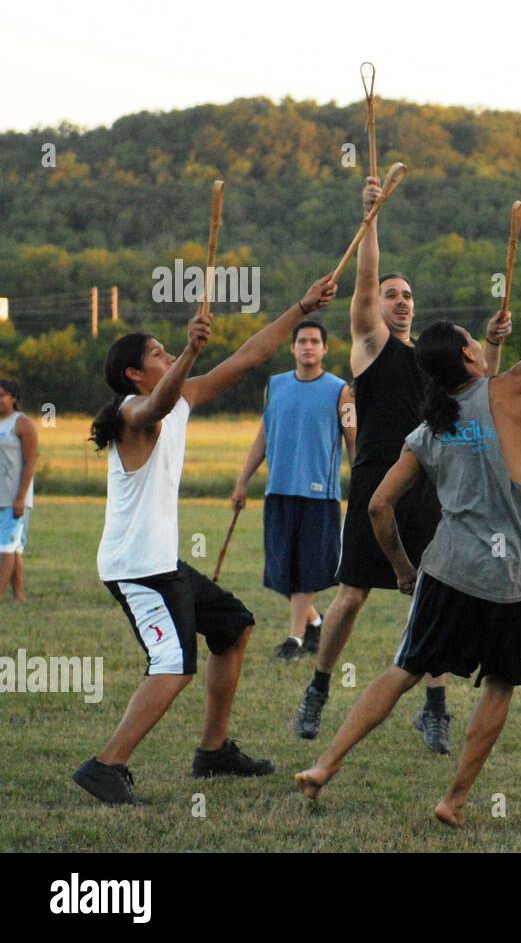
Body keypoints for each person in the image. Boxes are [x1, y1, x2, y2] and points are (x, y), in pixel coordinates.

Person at [294, 239, 521, 828]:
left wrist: (405, 569)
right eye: (474, 340)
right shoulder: (509, 391)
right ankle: (453, 800)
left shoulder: (430, 429)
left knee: (402, 669)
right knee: (499, 687)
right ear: (469, 357)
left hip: (451, 569)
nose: (482, 344)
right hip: (518, 577)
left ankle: (324, 765)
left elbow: (379, 507)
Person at [73, 276, 337, 806]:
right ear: (133, 374)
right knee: (173, 665)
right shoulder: (132, 411)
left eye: (169, 350)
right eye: (158, 353)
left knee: (234, 627)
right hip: (134, 567)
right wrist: (190, 352)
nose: (168, 355)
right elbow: (156, 408)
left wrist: (300, 306)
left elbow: (245, 358)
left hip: (160, 563)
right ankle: (106, 764)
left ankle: (213, 751)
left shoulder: (182, 395)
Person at [291, 176, 512, 755]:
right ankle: (317, 689)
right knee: (354, 593)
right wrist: (372, 217)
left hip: (434, 487)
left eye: (408, 294)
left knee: (432, 596)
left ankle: (433, 709)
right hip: (375, 484)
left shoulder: (434, 361)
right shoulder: (371, 345)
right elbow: (364, 281)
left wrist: (493, 343)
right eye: (393, 293)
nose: (401, 300)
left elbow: (485, 388)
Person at [231, 320, 356, 660]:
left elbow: (352, 440)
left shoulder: (341, 391)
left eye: (315, 341)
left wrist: (363, 485)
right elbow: (264, 435)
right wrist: (243, 480)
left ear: (325, 349)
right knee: (281, 573)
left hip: (319, 494)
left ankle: (295, 641)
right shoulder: (275, 386)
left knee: (305, 572)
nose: (308, 347)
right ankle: (316, 621)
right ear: (293, 348)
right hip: (279, 491)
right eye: (302, 341)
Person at [0, 379, 37, 602]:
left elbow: (30, 462)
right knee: (12, 548)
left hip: (14, 498)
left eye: (2, 395)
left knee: (4, 549)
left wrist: (21, 497)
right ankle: (19, 596)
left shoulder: (21, 423)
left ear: (13, 398)